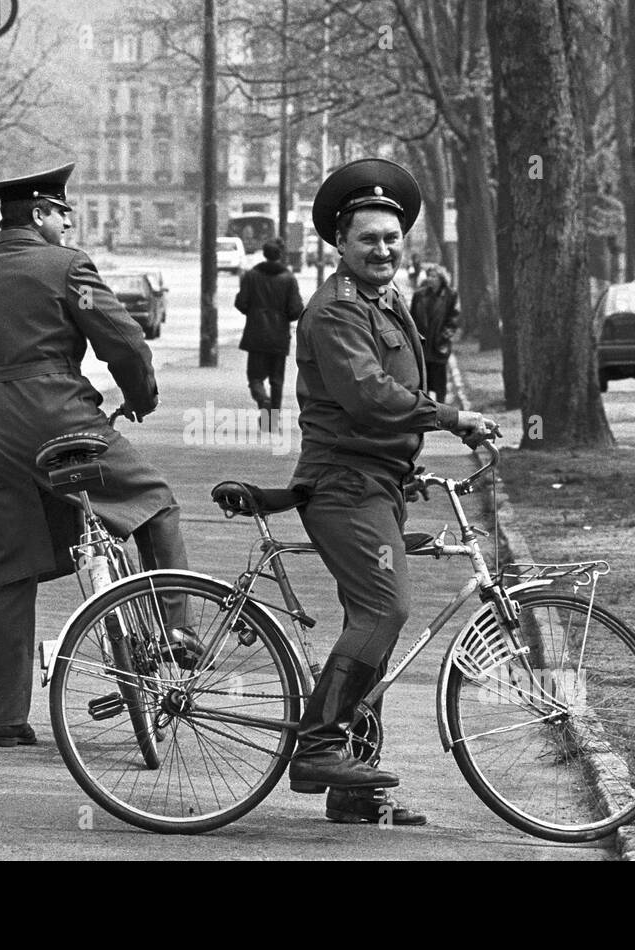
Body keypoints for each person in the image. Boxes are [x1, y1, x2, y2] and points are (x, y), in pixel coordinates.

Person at [0, 162, 197, 748]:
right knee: (154, 503)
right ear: (40, 215)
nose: (68, 225)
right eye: (63, 214)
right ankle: (177, 631)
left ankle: (8, 721)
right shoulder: (69, 267)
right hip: (62, 418)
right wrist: (140, 396)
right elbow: (123, 341)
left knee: (9, 574)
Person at [288, 158, 492, 824]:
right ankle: (319, 748)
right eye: (367, 238)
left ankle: (356, 786)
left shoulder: (386, 302)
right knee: (384, 613)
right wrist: (453, 418)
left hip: (375, 481)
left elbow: (394, 395)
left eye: (391, 239)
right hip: (343, 487)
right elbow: (371, 397)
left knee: (369, 626)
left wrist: (411, 465)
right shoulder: (336, 311)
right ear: (341, 245)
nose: (382, 249)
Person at [234, 239, 304, 430]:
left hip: (255, 334)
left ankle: (262, 400)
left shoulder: (252, 275)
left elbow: (241, 303)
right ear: (280, 255)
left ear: (264, 254)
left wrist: (254, 312)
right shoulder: (288, 278)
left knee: (255, 378)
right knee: (277, 380)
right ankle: (271, 422)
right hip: (279, 336)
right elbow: (296, 309)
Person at [409, 265, 459, 403]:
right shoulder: (419, 295)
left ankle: (441, 412)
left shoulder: (450, 295)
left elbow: (453, 320)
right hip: (422, 345)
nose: (430, 279)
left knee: (439, 384)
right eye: (429, 276)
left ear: (441, 279)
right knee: (423, 381)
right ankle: (425, 411)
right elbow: (411, 319)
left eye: (434, 276)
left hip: (438, 346)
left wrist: (443, 337)